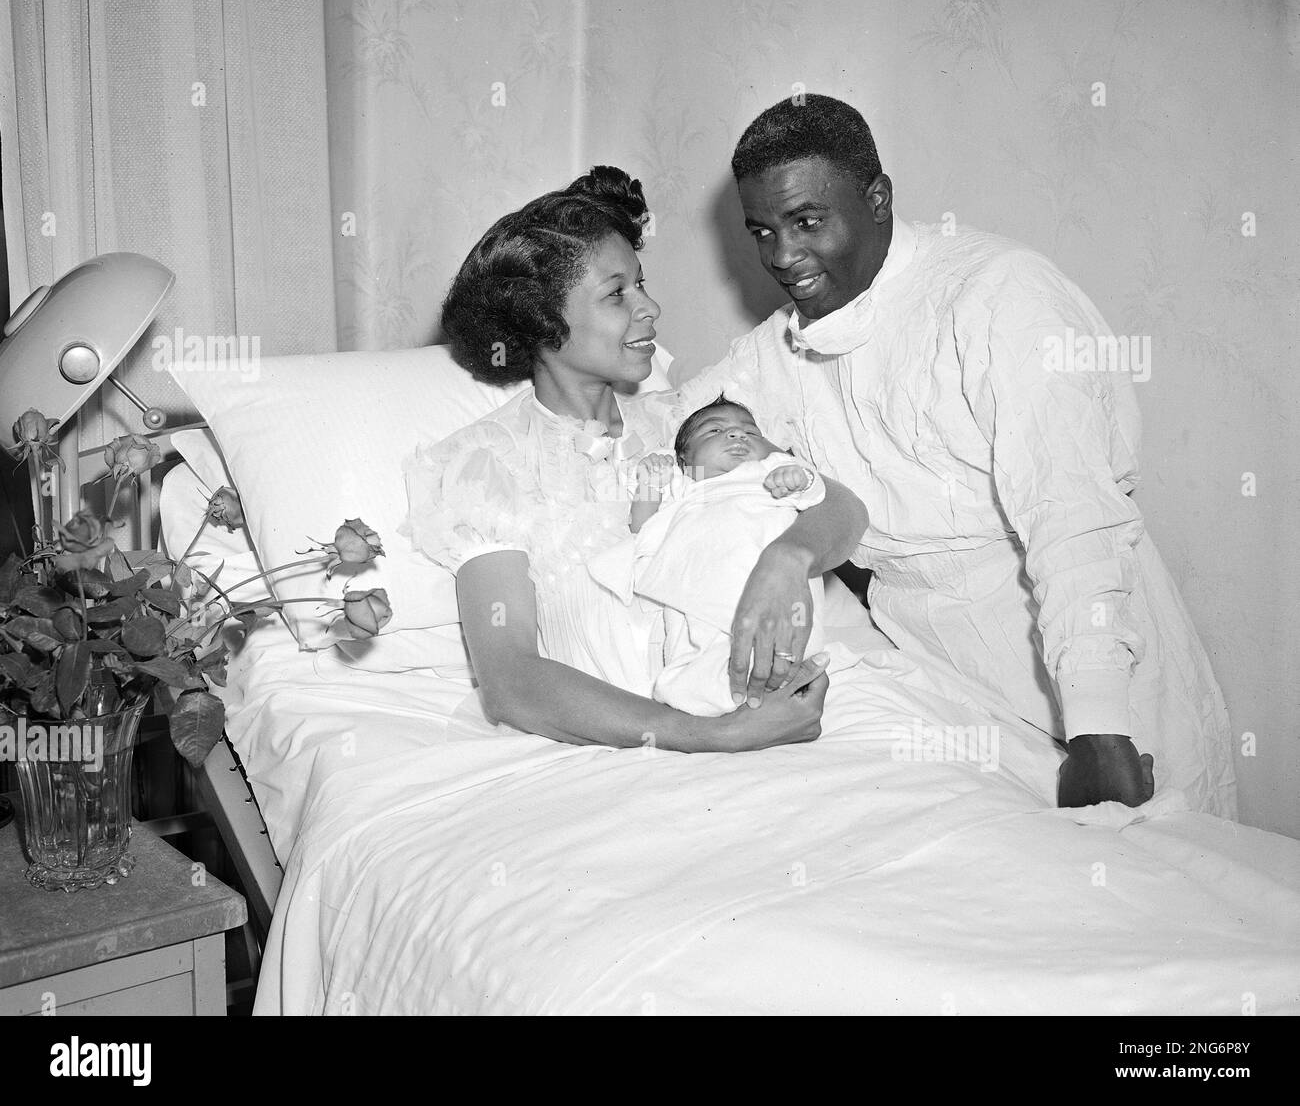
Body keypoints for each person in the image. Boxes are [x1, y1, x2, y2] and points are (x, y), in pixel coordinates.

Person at [677, 94, 1235, 814]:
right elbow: (658, 420)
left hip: (1100, 675)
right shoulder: (778, 352)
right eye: (762, 231)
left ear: (877, 199)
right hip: (944, 684)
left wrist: (1099, 731)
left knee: (1167, 889)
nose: (782, 257)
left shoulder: (998, 295)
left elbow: (1072, 520)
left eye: (807, 222)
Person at [403, 166, 868, 752]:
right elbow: (510, 680)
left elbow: (843, 508)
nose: (650, 306)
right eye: (617, 293)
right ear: (541, 320)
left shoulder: (682, 427)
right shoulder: (491, 462)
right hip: (618, 755)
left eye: (641, 284)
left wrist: (788, 557)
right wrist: (712, 736)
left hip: (763, 715)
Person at [589, 395, 836, 716]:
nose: (737, 435)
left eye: (750, 431)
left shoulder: (772, 470)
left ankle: (775, 687)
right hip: (702, 590)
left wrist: (800, 479)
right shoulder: (684, 485)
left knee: (785, 646)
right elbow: (644, 528)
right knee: (693, 653)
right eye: (714, 431)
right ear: (684, 460)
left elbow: (819, 496)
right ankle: (710, 701)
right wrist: (650, 485)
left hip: (775, 589)